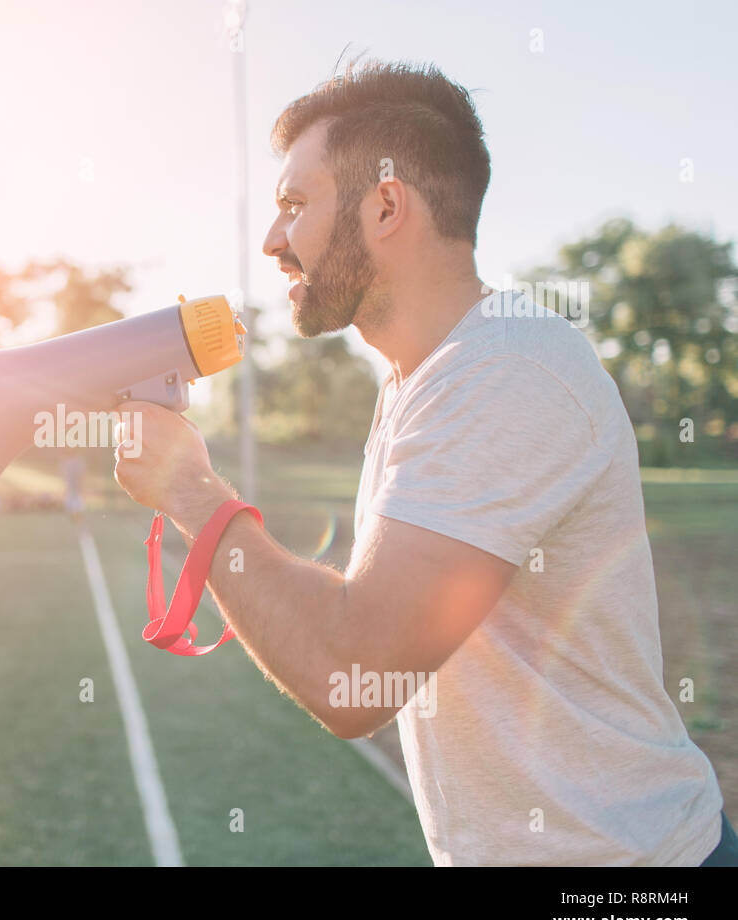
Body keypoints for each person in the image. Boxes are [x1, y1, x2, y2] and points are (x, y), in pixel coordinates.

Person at [112, 59, 728, 866]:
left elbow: (348, 671)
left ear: (387, 203)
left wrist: (189, 489)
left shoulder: (505, 372)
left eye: (295, 206)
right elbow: (374, 615)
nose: (272, 240)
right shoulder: (428, 378)